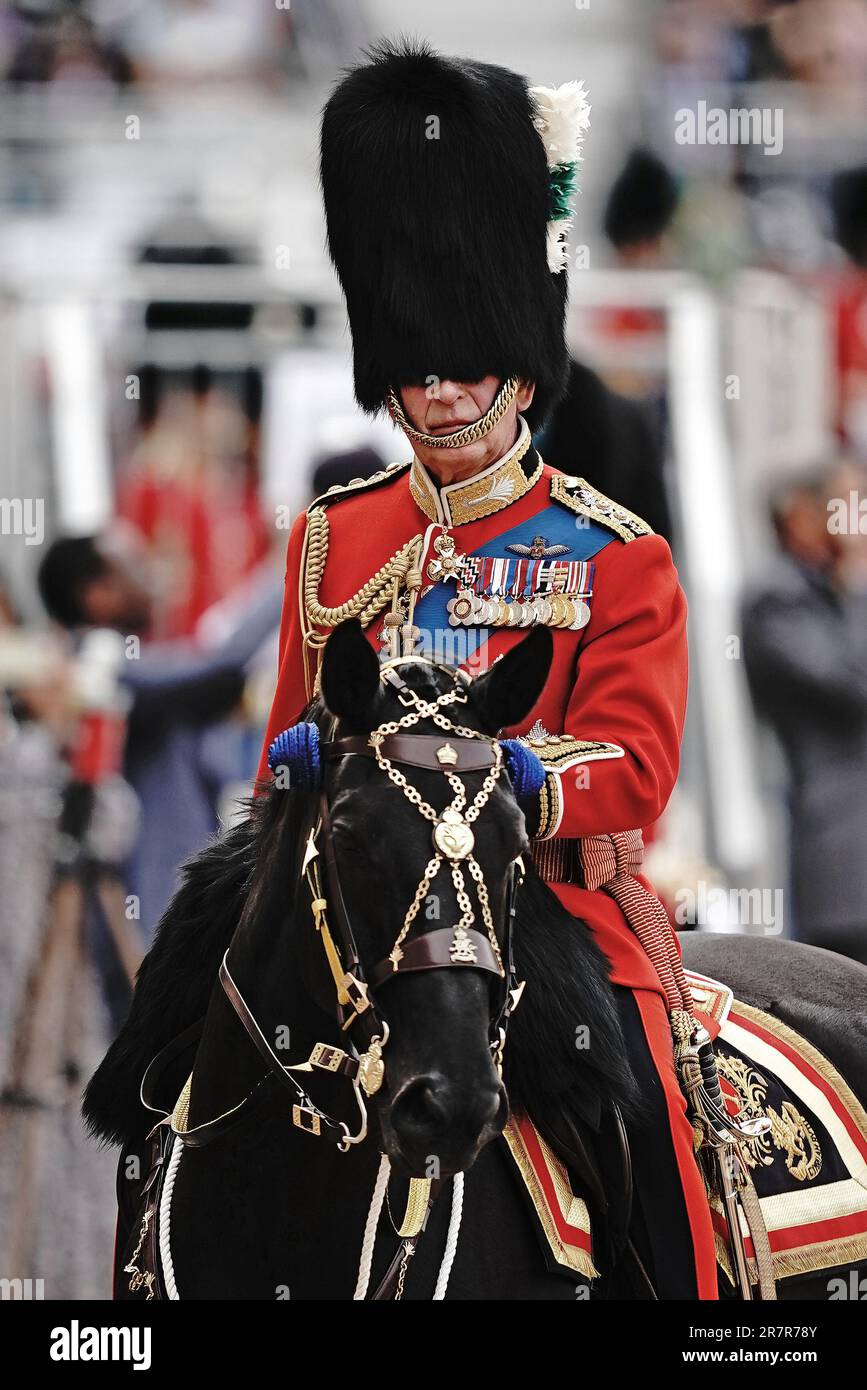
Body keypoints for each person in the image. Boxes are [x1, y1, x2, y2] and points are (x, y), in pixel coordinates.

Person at [256, 39, 717, 1298]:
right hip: (358, 906)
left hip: (553, 905)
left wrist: (512, 776)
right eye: (417, 368)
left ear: (524, 362)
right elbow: (286, 745)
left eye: (470, 365)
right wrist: (299, 767)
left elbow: (637, 766)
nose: (445, 392)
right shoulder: (333, 535)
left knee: (641, 1092)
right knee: (178, 1041)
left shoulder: (612, 554)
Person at [37, 528, 282, 943]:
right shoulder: (99, 665)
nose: (151, 576)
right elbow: (223, 662)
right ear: (97, 594)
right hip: (155, 909)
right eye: (133, 566)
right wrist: (299, 562)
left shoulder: (121, 663)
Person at [743, 463, 867, 966]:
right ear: (800, 516)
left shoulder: (833, 595)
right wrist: (858, 577)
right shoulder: (779, 601)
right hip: (845, 863)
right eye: (846, 505)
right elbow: (854, 683)